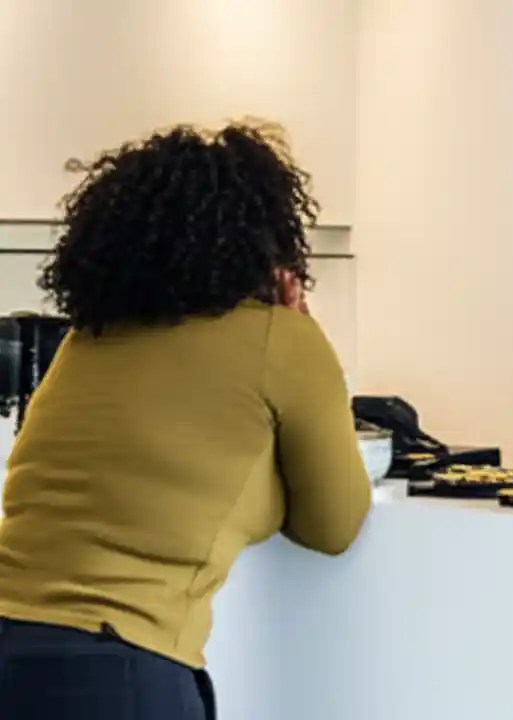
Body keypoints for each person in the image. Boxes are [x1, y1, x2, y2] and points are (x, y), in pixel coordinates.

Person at [0, 121, 373, 719]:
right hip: (118, 670)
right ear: (267, 240)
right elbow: (334, 525)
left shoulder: (88, 338)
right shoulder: (282, 339)